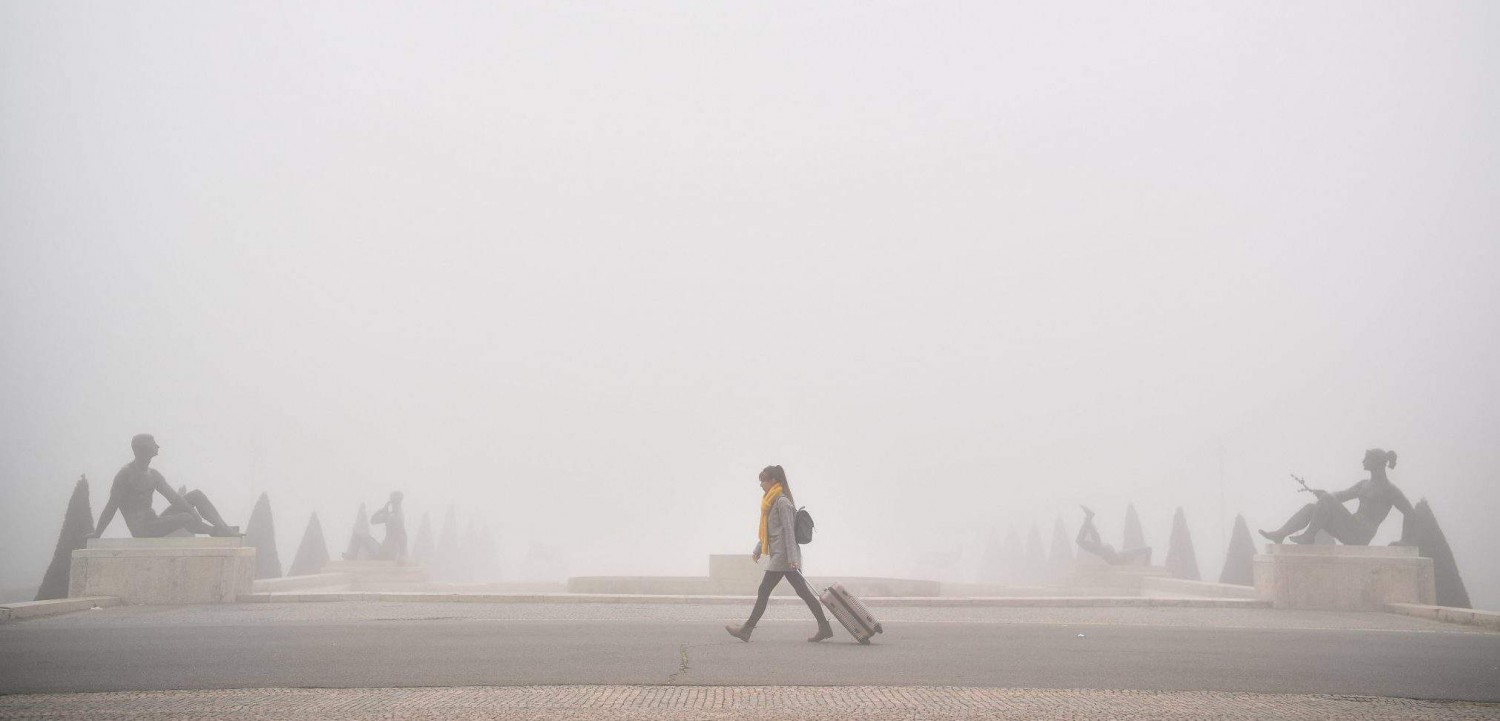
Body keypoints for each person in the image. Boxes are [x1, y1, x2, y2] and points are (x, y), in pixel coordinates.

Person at [725, 465, 833, 643]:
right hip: (781, 554)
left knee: (764, 590)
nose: (761, 485)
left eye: (763, 481)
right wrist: (758, 549)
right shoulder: (772, 501)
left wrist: (792, 559)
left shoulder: (782, 502)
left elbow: (789, 532)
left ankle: (746, 630)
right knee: (803, 592)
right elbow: (770, 530)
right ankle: (824, 627)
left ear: (773, 481)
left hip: (784, 556)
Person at [89, 434, 239, 538]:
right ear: (142, 448)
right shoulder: (125, 474)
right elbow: (111, 506)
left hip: (155, 521)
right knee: (185, 517)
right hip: (142, 530)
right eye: (153, 443)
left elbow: (174, 498)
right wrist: (97, 533)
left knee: (196, 495)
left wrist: (194, 512)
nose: (158, 446)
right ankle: (215, 531)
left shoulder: (153, 474)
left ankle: (224, 528)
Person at [1259, 448, 1415, 545]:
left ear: (1377, 463)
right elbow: (1341, 496)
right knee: (1311, 508)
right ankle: (1280, 535)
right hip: (1350, 527)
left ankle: (1309, 536)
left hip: (1361, 535)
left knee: (1326, 500)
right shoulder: (1363, 484)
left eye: (1367, 458)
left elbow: (1410, 513)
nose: (1363, 461)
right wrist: (1323, 495)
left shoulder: (1390, 490)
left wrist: (1405, 540)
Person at [1075, 506, 1151, 565]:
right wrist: (1147, 557)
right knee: (1083, 541)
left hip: (1107, 552)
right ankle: (1089, 519)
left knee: (1087, 541)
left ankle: (1089, 519)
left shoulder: (1120, 558)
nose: (1131, 560)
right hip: (1107, 552)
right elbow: (1138, 551)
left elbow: (1139, 551)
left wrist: (1147, 557)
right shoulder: (1120, 557)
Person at [346, 491, 408, 561]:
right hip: (383, 551)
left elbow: (403, 537)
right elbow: (373, 521)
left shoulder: (397, 518)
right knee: (360, 535)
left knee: (359, 535)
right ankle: (351, 556)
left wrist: (402, 555)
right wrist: (383, 510)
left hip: (386, 553)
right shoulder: (390, 516)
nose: (393, 505)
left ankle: (351, 556)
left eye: (393, 502)